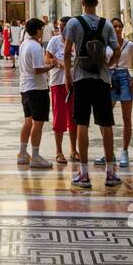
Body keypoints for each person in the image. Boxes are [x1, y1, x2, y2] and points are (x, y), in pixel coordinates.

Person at [64, 0, 121, 190]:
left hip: (81, 78)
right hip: (102, 79)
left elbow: (67, 51)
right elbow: (116, 50)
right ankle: (110, 173)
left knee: (82, 124)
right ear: (97, 3)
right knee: (106, 124)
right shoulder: (106, 24)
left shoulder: (73, 23)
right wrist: (110, 66)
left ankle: (84, 174)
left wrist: (68, 75)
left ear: (82, 2)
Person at [108, 17, 133, 168]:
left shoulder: (130, 45)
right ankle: (108, 151)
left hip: (124, 77)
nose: (117, 28)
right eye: (114, 26)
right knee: (106, 118)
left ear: (122, 28)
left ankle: (124, 151)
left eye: (119, 26)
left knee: (126, 118)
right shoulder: (106, 45)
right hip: (110, 78)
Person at [17, 17, 53, 169]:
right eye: (42, 30)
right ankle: (36, 156)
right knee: (38, 123)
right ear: (38, 30)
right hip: (37, 89)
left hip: (25, 87)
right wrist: (51, 66)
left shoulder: (24, 44)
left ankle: (23, 153)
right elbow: (38, 69)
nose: (43, 33)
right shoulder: (36, 47)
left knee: (28, 121)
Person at [45, 16, 75, 164]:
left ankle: (74, 149)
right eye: (60, 26)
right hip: (58, 83)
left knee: (74, 117)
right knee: (59, 117)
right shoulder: (54, 41)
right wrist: (56, 62)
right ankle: (58, 151)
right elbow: (46, 59)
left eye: (64, 26)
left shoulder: (77, 41)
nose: (62, 29)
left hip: (75, 83)